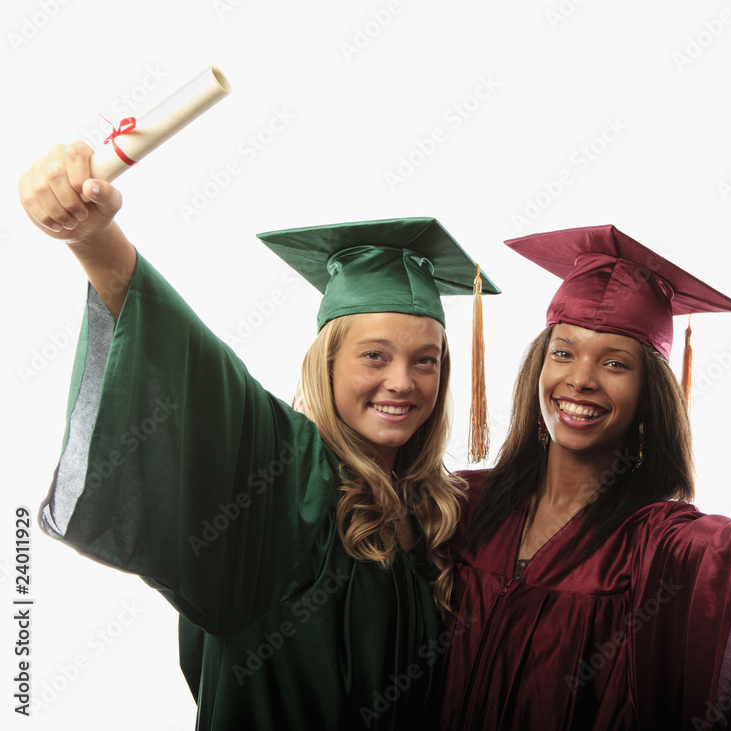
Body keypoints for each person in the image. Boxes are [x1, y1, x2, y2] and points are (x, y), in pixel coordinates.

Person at [18, 141, 499, 729]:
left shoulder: (437, 512)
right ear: (328, 363)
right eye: (374, 355)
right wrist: (93, 237)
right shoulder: (284, 476)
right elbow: (196, 369)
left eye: (426, 360)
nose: (402, 381)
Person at [437, 224, 731, 730]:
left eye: (615, 363)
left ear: (650, 394)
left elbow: (709, 549)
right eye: (563, 352)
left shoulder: (651, 537)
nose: (580, 379)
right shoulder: (463, 503)